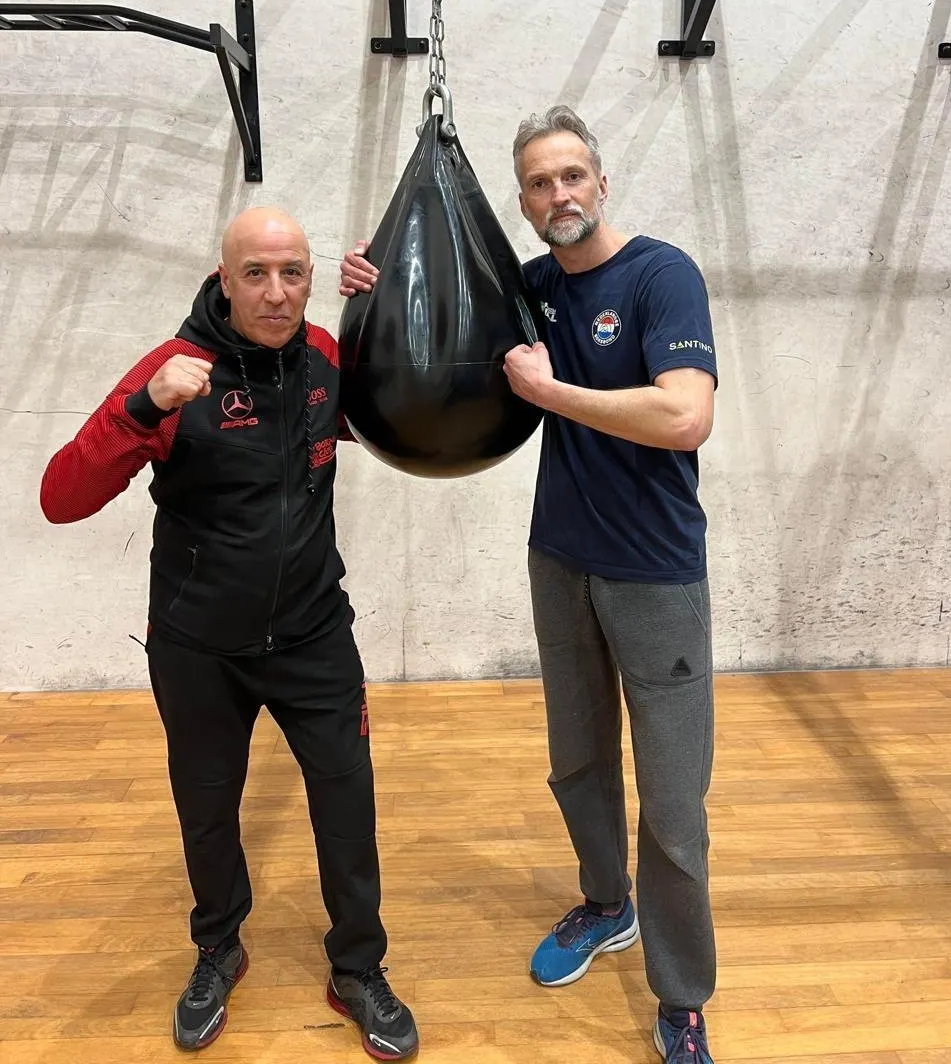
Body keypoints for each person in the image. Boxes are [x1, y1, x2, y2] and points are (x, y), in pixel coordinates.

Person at [339, 107, 718, 1064]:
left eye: (573, 176)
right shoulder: (532, 285)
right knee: (577, 762)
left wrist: (554, 396)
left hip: (657, 572)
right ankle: (605, 906)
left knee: (672, 809)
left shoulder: (660, 276)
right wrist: (375, 290)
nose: (561, 195)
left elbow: (685, 417)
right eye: (541, 184)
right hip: (561, 561)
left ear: (602, 179)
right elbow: (442, 325)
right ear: (520, 202)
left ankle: (680, 999)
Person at [40, 207, 418, 1060]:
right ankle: (218, 948)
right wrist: (143, 405)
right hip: (198, 647)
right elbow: (60, 496)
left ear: (312, 276)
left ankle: (358, 968)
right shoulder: (175, 373)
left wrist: (388, 309)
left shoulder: (325, 357)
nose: (276, 293)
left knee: (348, 804)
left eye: (293, 272)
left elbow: (410, 413)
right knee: (207, 812)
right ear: (223, 277)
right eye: (256, 274)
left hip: (316, 636)